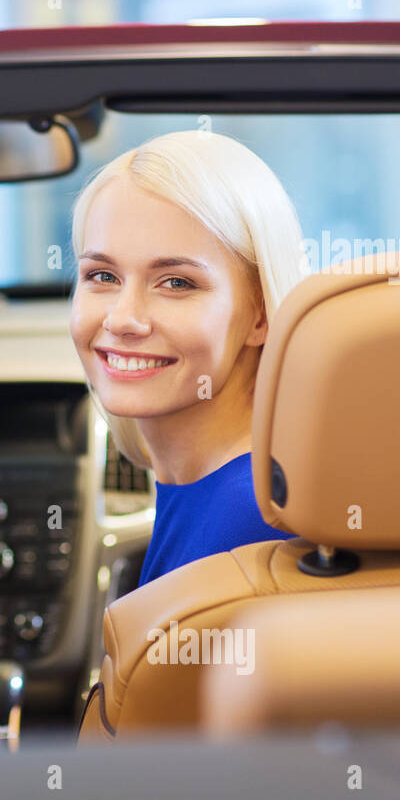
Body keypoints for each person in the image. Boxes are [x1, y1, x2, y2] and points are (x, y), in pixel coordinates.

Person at [69, 130, 308, 587]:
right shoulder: (223, 491)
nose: (124, 319)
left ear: (260, 313)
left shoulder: (255, 523)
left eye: (176, 283)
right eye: (102, 275)